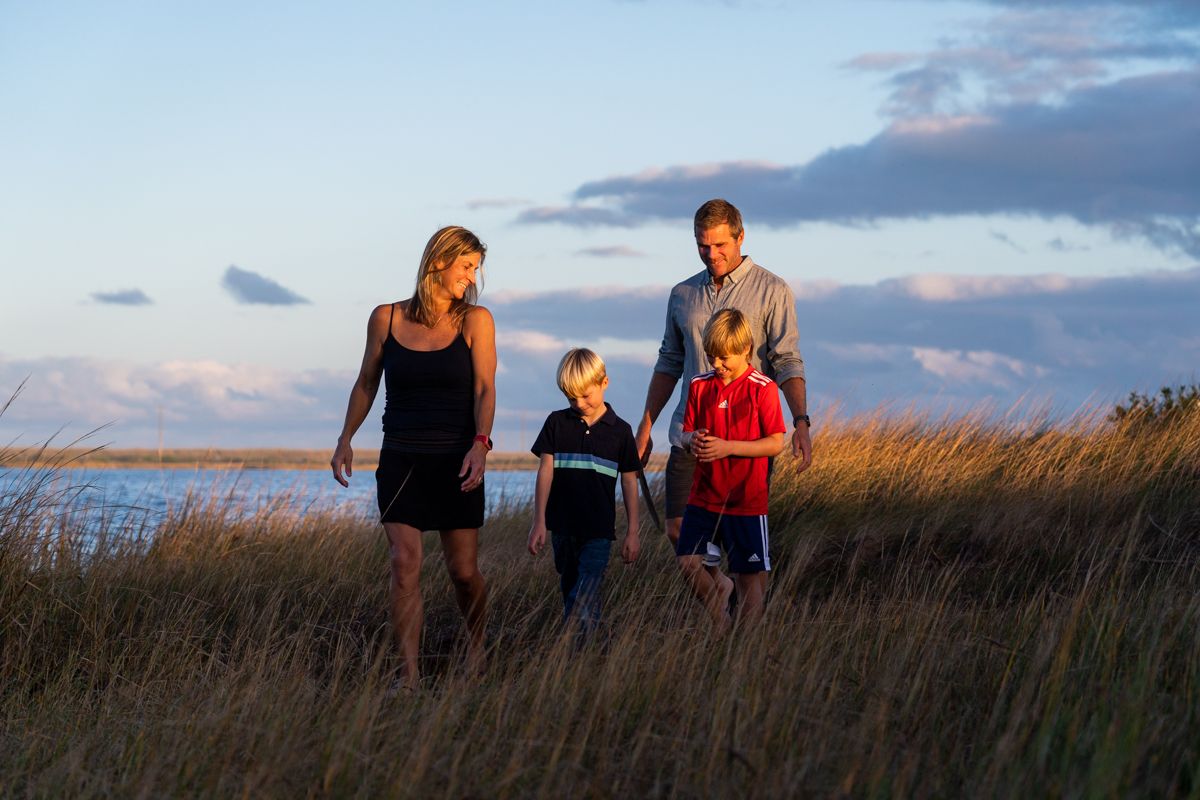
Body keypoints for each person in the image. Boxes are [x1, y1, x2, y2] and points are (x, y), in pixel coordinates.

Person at [330, 225, 495, 690]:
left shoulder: (475, 321)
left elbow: (485, 387)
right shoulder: (385, 318)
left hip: (458, 460)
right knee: (404, 562)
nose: (471, 276)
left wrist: (480, 444)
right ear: (437, 262)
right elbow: (366, 384)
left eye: (476, 269)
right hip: (401, 458)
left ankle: (478, 647)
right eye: (466, 266)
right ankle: (410, 677)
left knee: (463, 574)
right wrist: (345, 437)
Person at [635, 198, 811, 562]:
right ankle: (723, 604)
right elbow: (669, 362)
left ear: (740, 237)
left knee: (736, 545)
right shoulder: (682, 294)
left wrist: (801, 423)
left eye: (720, 244)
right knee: (679, 533)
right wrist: (646, 426)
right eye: (703, 245)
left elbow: (787, 361)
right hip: (690, 435)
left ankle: (735, 612)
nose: (711, 253)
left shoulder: (772, 290)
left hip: (745, 441)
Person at [677, 310, 785, 633]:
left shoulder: (762, 388)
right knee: (688, 561)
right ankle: (720, 615)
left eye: (724, 358)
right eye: (711, 356)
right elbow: (685, 433)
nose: (716, 364)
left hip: (746, 502)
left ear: (745, 350)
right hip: (704, 497)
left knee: (749, 579)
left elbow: (776, 442)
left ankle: (744, 650)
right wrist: (690, 439)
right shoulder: (699, 386)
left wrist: (728, 447)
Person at [527, 348, 641, 638]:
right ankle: (592, 656)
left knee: (583, 593)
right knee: (571, 592)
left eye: (585, 395)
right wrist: (538, 522)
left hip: (598, 531)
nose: (578, 404)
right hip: (562, 529)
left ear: (604, 382)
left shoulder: (621, 432)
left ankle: (569, 653)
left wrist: (633, 532)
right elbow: (545, 472)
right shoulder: (556, 423)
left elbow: (629, 482)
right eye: (570, 397)